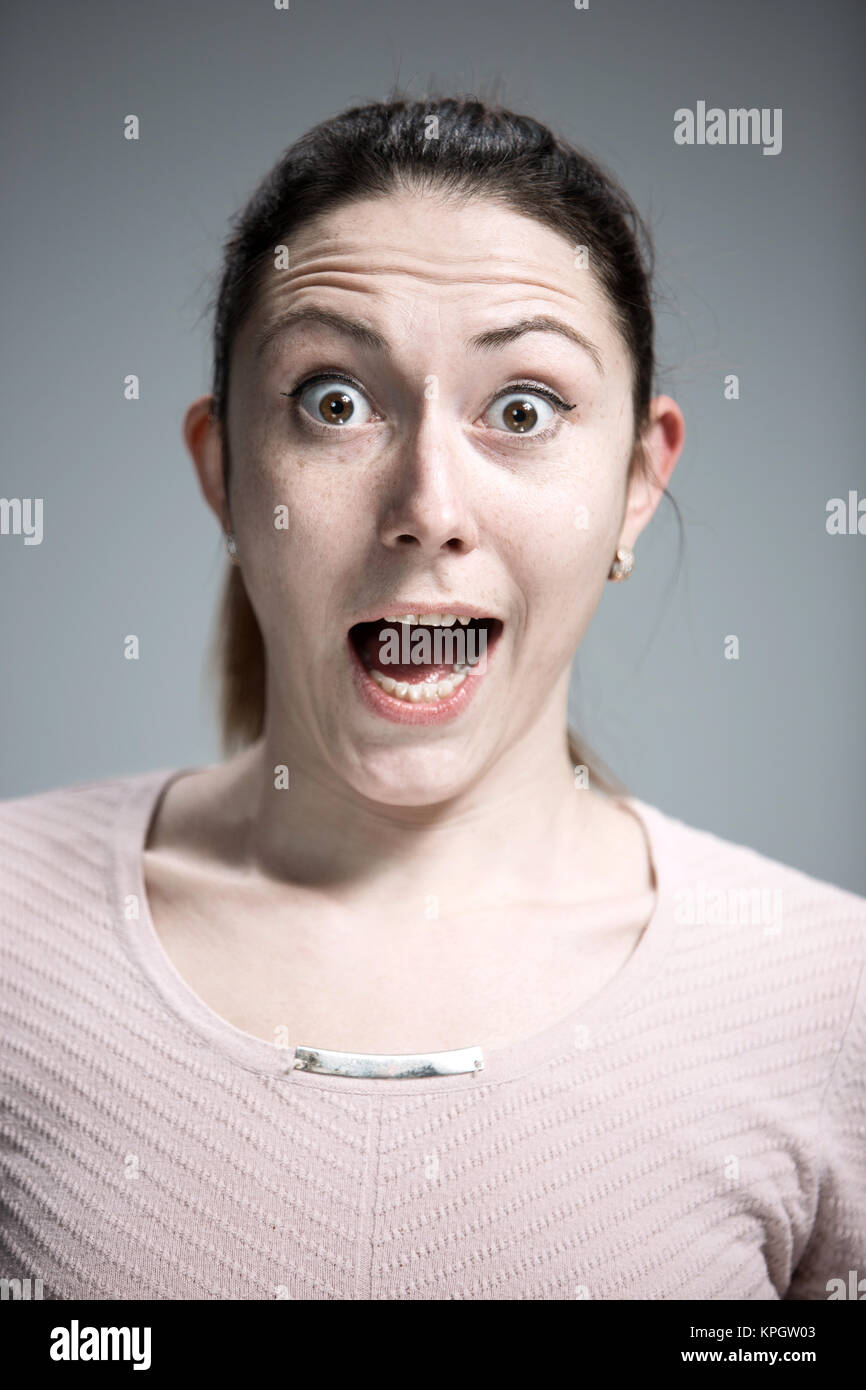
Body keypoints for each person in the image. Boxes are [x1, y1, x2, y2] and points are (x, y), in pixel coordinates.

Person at [1, 95, 863, 1301]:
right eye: (333, 401)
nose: (429, 504)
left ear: (633, 483)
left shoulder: (828, 1000)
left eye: (522, 409)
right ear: (225, 476)